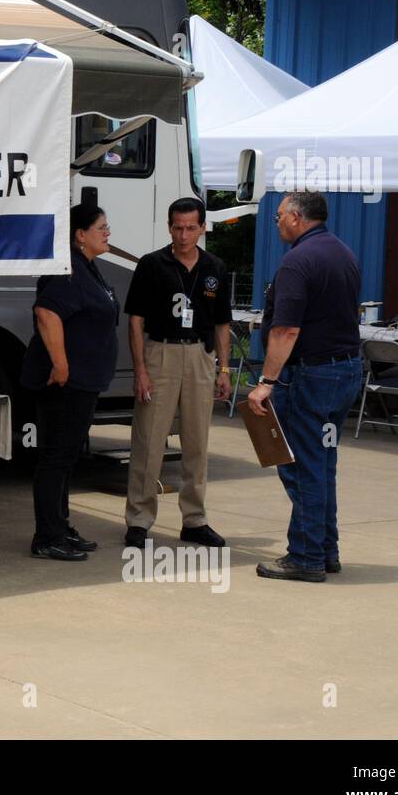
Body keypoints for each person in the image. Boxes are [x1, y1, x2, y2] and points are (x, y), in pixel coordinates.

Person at [247, 193, 363, 582]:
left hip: (310, 376)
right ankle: (325, 550)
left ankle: (307, 556)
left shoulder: (298, 260)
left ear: (296, 218)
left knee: (302, 468)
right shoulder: (341, 252)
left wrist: (266, 382)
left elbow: (286, 329)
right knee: (323, 464)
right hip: (342, 371)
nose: (277, 222)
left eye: (280, 215)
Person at [123, 197, 231, 549]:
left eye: (190, 228)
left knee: (197, 442)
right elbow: (136, 320)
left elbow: (222, 323)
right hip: (161, 353)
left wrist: (224, 369)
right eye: (177, 227)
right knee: (149, 440)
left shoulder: (215, 267)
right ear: (169, 227)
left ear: (202, 227)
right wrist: (141, 369)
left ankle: (195, 519)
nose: (184, 235)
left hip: (200, 355)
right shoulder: (152, 265)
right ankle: (139, 519)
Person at [20, 204, 120, 561]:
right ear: (80, 234)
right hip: (66, 383)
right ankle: (47, 536)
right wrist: (61, 365)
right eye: (101, 227)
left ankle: (60, 527)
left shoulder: (87, 268)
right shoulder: (66, 270)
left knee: (67, 458)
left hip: (85, 381)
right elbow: (47, 313)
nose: (108, 233)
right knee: (55, 458)